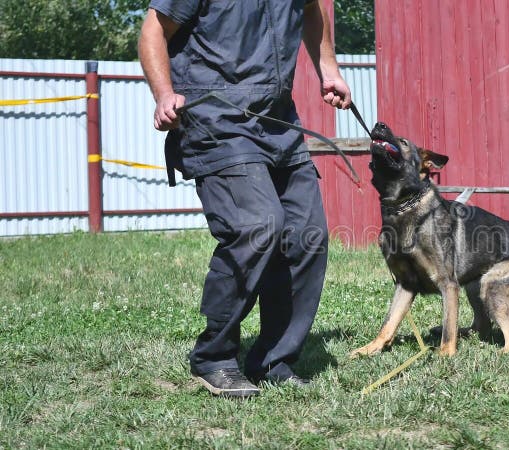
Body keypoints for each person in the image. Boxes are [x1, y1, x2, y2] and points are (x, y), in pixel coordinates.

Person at [138, 0, 351, 398]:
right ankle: (213, 357)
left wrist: (329, 69)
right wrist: (164, 94)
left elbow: (312, 10)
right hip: (215, 117)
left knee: (307, 234)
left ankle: (274, 359)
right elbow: (153, 31)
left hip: (277, 121)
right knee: (257, 224)